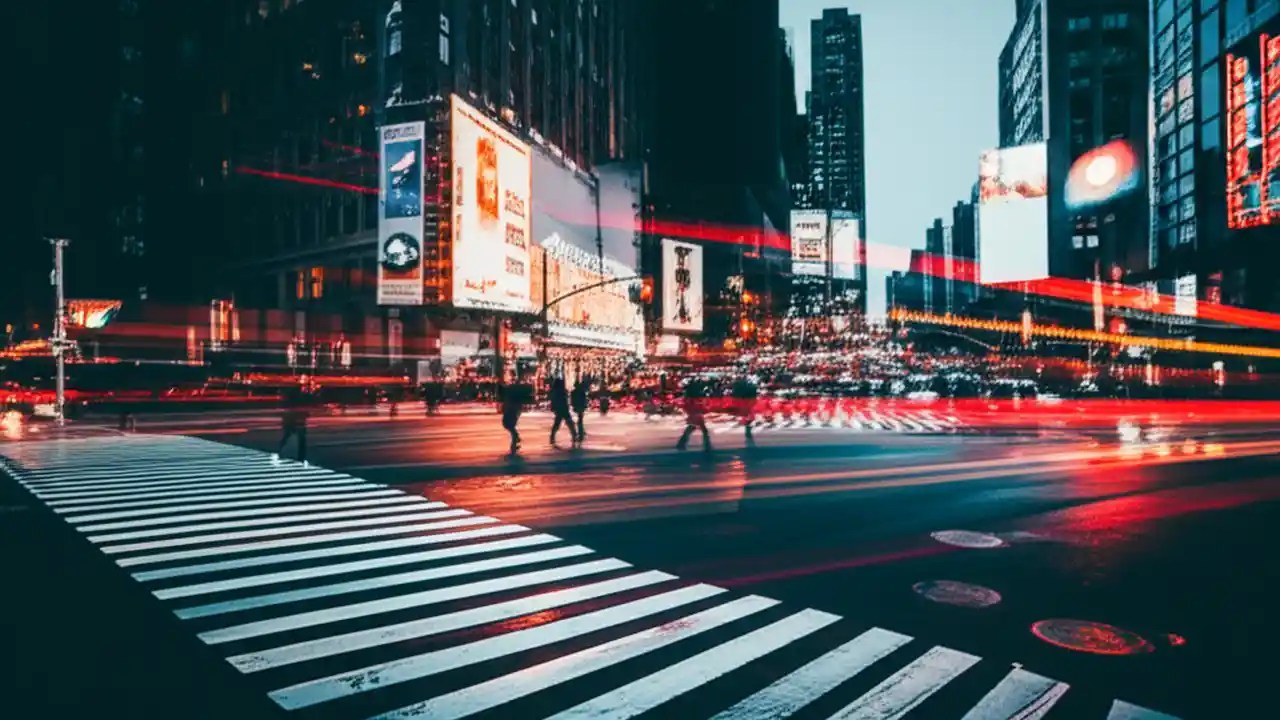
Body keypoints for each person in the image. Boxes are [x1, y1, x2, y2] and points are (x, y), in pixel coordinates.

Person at [276, 384, 311, 464]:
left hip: (290, 421)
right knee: (301, 440)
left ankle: (280, 451)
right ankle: (301, 457)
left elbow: (284, 410)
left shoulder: (289, 399)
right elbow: (304, 411)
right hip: (298, 422)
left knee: (287, 436)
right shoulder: (301, 399)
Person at [500, 374, 533, 452]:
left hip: (510, 414)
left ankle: (514, 443)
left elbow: (508, 407)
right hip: (511, 414)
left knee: (511, 429)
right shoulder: (512, 398)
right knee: (512, 430)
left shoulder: (509, 397)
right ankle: (515, 442)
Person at [677, 380, 712, 451]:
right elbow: (696, 406)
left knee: (691, 428)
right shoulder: (694, 398)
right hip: (696, 415)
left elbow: (688, 406)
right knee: (702, 430)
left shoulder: (690, 397)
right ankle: (707, 445)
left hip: (695, 415)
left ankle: (681, 443)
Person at [548, 376, 577, 445]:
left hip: (559, 409)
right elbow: (564, 399)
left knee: (557, 423)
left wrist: (553, 407)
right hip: (563, 409)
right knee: (569, 423)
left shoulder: (555, 391)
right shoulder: (562, 391)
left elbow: (553, 400)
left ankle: (552, 437)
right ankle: (574, 436)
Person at [731, 376, 759, 446]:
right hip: (747, 400)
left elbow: (735, 393)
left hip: (744, 400)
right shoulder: (748, 385)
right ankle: (747, 424)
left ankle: (747, 424)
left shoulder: (737, 385)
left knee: (746, 413)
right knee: (748, 413)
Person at [571, 376, 591, 442]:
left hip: (577, 406)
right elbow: (584, 399)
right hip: (581, 407)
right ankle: (581, 432)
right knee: (580, 420)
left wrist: (573, 405)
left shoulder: (574, 392)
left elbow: (572, 400)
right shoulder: (581, 391)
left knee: (580, 420)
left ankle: (581, 432)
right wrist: (585, 406)